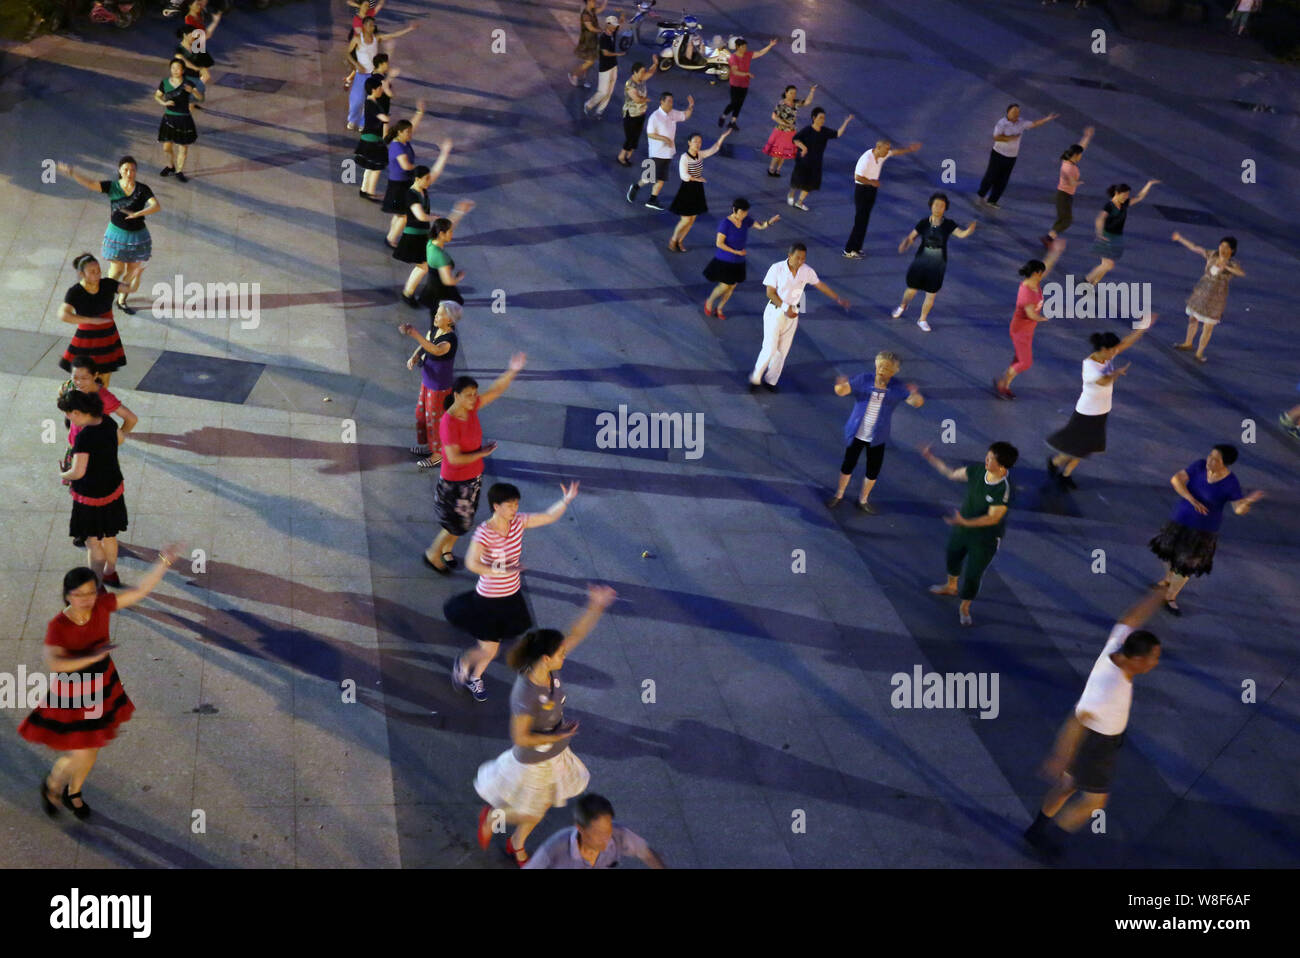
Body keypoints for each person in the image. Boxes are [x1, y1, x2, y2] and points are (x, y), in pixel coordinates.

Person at [20, 548, 180, 820]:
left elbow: (140, 591)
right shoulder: (58, 625)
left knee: (90, 750)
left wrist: (163, 562)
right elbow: (56, 664)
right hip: (73, 691)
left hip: (101, 684)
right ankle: (53, 785)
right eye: (79, 594)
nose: (86, 599)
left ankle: (74, 792)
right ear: (67, 594)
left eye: (91, 592)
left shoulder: (102, 605)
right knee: (81, 752)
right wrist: (91, 656)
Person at [473, 584, 618, 865]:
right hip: (533, 760)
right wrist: (558, 734)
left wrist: (595, 607)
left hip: (554, 754)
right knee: (532, 811)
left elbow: (575, 634)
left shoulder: (549, 668)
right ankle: (493, 818)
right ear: (545, 658)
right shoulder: (525, 694)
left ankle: (516, 843)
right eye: (561, 653)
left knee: (541, 805)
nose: (565, 655)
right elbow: (521, 738)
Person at [1024, 588, 1166, 862]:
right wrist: (1060, 754)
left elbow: (1132, 617)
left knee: (1067, 786)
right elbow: (1077, 721)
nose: (1155, 663)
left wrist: (1158, 593)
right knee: (1093, 803)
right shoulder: (1108, 686)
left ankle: (1037, 829)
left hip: (1098, 739)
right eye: (1153, 658)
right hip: (1097, 746)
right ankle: (1051, 842)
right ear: (1137, 660)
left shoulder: (1118, 646)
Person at [448, 482, 581, 702]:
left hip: (510, 597)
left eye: (516, 504)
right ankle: (464, 664)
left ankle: (474, 676)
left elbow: (548, 516)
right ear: (496, 506)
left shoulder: (518, 523)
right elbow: (472, 563)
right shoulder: (484, 533)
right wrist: (501, 571)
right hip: (489, 600)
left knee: (492, 648)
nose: (514, 509)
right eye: (510, 505)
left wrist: (565, 501)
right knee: (489, 649)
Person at [423, 356, 526, 575]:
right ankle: (433, 553)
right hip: (456, 483)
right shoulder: (449, 423)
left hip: (472, 479)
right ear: (456, 396)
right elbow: (454, 459)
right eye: (468, 395)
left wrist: (512, 370)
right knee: (458, 524)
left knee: (461, 520)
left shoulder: (470, 407)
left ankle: (447, 549)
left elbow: (496, 390)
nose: (474, 399)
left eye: (475, 394)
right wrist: (483, 452)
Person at [1148, 445, 1263, 615]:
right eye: (1210, 455)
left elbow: (1238, 509)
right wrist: (1191, 499)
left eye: (1216, 459)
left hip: (1203, 530)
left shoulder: (1231, 483)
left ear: (1225, 464)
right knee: (1168, 553)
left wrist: (1246, 503)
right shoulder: (1199, 466)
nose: (1210, 460)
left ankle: (1171, 596)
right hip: (1180, 519)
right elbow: (1176, 479)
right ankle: (1167, 579)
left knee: (1186, 565)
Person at [921, 441, 1020, 627]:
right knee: (953, 556)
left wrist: (965, 522)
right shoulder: (977, 471)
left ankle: (965, 607)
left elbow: (992, 519)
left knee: (973, 574)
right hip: (962, 528)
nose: (986, 460)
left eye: (990, 458)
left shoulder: (1004, 490)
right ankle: (951, 586)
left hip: (985, 539)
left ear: (1001, 466)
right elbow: (951, 474)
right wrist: (931, 458)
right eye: (987, 455)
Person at [1046, 323, 1152, 488]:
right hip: (1086, 413)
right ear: (1103, 348)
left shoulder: (1107, 354)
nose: (1114, 353)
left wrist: (1143, 328)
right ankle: (1055, 462)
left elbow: (1126, 342)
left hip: (1101, 411)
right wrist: (1115, 373)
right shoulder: (1090, 365)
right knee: (1076, 447)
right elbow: (1102, 381)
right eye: (1112, 350)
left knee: (1086, 448)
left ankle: (1066, 474)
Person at [55, 158, 160, 316]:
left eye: (132, 170)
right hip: (117, 234)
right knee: (116, 270)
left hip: (137, 237)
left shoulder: (142, 189)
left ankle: (122, 300)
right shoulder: (112, 187)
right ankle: (105, 296)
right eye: (125, 170)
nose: (129, 173)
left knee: (132, 271)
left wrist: (138, 213)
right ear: (119, 171)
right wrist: (72, 172)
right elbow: (90, 183)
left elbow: (156, 206)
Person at [827, 352, 924, 513]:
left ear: (895, 370)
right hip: (857, 433)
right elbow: (843, 390)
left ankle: (863, 500)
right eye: (880, 365)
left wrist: (915, 395)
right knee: (848, 464)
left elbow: (916, 402)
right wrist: (840, 386)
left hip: (877, 437)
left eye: (886, 367)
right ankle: (839, 494)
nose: (882, 370)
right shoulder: (864, 379)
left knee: (873, 470)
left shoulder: (898, 387)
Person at [748, 243, 850, 393]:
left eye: (803, 258)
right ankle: (755, 379)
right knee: (769, 348)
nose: (800, 261)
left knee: (782, 351)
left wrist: (837, 298)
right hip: (774, 312)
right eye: (798, 258)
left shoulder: (806, 271)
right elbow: (770, 293)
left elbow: (819, 284)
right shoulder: (776, 268)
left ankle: (771, 381)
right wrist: (785, 308)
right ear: (790, 256)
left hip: (792, 315)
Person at [58, 390, 128, 586]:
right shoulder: (107, 422)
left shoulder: (84, 437)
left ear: (78, 412)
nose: (68, 418)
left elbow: (78, 472)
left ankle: (96, 586)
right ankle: (110, 572)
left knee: (92, 542)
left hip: (91, 495)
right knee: (110, 534)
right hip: (113, 488)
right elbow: (120, 439)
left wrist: (63, 474)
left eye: (68, 414)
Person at [890, 192, 977, 332]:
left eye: (941, 206)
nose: (938, 208)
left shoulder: (949, 224)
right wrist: (907, 243)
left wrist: (969, 231)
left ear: (945, 208)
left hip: (938, 264)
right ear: (931, 206)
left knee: (931, 294)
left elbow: (961, 234)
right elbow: (912, 236)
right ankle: (903, 306)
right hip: (920, 261)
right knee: (911, 290)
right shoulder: (924, 223)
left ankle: (922, 319)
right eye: (936, 205)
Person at [524, 793, 667, 869]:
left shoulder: (619, 835)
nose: (607, 838)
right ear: (581, 829)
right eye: (599, 833)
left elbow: (646, 853)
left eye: (608, 828)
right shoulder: (554, 848)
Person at [399, 302, 461, 469]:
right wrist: (415, 355)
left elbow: (435, 349)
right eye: (436, 313)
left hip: (439, 387)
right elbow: (426, 344)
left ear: (450, 320)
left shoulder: (450, 340)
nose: (436, 316)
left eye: (440, 315)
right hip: (428, 382)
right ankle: (430, 446)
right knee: (422, 414)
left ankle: (438, 454)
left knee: (435, 420)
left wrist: (414, 334)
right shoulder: (435, 329)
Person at [842, 139, 921, 259]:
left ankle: (857, 248)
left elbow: (895, 152)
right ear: (878, 148)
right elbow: (857, 177)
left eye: (888, 149)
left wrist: (909, 149)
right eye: (886, 149)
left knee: (864, 221)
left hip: (871, 190)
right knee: (860, 221)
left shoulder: (882, 155)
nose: (888, 151)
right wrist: (871, 182)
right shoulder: (866, 159)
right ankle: (848, 250)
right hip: (862, 190)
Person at [1172, 232, 1244, 364]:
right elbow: (1194, 247)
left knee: (1208, 326)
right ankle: (1188, 343)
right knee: (1193, 319)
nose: (1223, 249)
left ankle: (1199, 353)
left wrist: (1226, 267)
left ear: (1232, 250)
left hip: (1216, 299)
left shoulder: (1233, 264)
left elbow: (1241, 273)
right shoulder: (1212, 254)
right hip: (1202, 292)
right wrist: (1180, 238)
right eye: (1222, 245)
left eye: (1227, 247)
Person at [702, 198, 778, 319]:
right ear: (734, 210)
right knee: (725, 285)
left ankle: (720, 308)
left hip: (738, 261)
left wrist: (769, 222)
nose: (744, 215)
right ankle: (710, 301)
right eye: (742, 212)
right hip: (725, 260)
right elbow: (719, 243)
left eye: (746, 212)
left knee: (732, 287)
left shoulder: (746, 220)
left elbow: (760, 226)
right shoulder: (725, 223)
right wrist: (735, 251)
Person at [58, 254, 126, 386]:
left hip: (107, 336)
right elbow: (63, 314)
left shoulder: (106, 284)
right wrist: (90, 321)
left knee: (105, 375)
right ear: (82, 274)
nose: (97, 274)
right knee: (84, 377)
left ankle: (100, 403)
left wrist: (136, 273)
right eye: (92, 272)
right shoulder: (75, 291)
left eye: (98, 270)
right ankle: (81, 399)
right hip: (86, 339)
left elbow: (128, 288)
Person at [974, 105, 1058, 209]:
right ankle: (981, 194)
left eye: (1018, 112)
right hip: (998, 154)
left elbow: (1034, 124)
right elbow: (996, 137)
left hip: (1011, 157)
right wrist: (1010, 138)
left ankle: (992, 200)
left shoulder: (1021, 122)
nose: (1016, 114)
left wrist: (1047, 119)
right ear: (1008, 112)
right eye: (1014, 111)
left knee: (1003, 180)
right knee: (991, 176)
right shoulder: (1001, 124)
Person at [345, 15, 417, 131]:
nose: (372, 28)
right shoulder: (358, 39)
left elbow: (392, 35)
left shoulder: (376, 38)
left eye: (373, 25)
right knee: (356, 100)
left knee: (369, 101)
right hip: (361, 74)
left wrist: (409, 29)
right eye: (370, 25)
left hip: (373, 75)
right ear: (364, 26)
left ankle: (364, 122)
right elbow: (348, 53)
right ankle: (352, 120)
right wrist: (357, 64)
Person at [1084, 180, 1159, 285]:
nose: (1126, 197)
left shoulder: (1124, 204)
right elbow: (1100, 219)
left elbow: (1140, 197)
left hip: (1116, 238)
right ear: (1117, 193)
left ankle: (1091, 285)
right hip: (1106, 237)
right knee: (1108, 264)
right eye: (1125, 194)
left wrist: (1149, 184)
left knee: (1105, 266)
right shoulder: (1109, 206)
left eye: (1128, 194)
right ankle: (1086, 280)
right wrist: (1100, 234)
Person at [667, 129, 731, 252]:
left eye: (700, 142)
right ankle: (673, 240)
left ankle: (680, 241)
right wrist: (697, 178)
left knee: (692, 219)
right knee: (685, 219)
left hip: (697, 189)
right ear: (689, 143)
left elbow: (714, 149)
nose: (698, 144)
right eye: (695, 141)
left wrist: (722, 137)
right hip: (687, 189)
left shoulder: (700, 154)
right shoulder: (684, 157)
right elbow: (683, 175)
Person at [627, 91, 694, 210]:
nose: (671, 103)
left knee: (661, 180)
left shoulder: (673, 114)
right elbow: (650, 134)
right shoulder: (655, 117)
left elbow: (685, 115)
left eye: (672, 101)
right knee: (649, 177)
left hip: (668, 153)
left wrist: (691, 106)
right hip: (657, 153)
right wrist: (664, 138)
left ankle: (652, 200)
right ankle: (636, 187)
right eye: (668, 101)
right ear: (661, 102)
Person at [994, 260, 1050, 399]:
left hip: (1027, 330)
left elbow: (1048, 265)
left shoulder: (1034, 283)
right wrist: (1042, 318)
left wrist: (1055, 253)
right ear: (1037, 273)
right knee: (1025, 362)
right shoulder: (1027, 292)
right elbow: (1031, 314)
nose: (1044, 275)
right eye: (1042, 273)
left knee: (1019, 359)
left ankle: (1005, 385)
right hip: (1020, 331)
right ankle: (1002, 383)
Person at [787, 108, 853, 210]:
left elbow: (837, 134)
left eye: (824, 118)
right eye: (820, 118)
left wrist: (846, 122)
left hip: (816, 162)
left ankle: (799, 202)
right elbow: (795, 139)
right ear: (814, 118)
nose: (822, 120)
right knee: (798, 180)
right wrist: (804, 148)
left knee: (810, 184)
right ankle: (791, 195)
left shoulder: (824, 131)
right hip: (803, 160)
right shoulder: (807, 130)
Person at [381, 107, 428, 248]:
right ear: (400, 133)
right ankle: (391, 239)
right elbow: (405, 165)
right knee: (404, 215)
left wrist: (419, 113)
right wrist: (418, 169)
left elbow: (412, 125)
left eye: (410, 132)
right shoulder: (397, 147)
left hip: (401, 183)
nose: (410, 134)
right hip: (398, 186)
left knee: (399, 214)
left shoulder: (403, 142)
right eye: (407, 132)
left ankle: (391, 236)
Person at [1040, 126, 1095, 247]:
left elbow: (1081, 147)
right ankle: (1048, 238)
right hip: (1063, 196)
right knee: (1066, 220)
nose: (1081, 156)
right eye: (1079, 155)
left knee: (1063, 219)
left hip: (1066, 196)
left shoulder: (1069, 160)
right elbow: (1071, 182)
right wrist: (1079, 183)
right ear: (1075, 155)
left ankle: (1049, 238)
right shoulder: (1068, 167)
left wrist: (1087, 137)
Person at [155, 57, 203, 183]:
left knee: (183, 148)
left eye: (178, 68)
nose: (175, 70)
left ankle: (179, 171)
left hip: (184, 118)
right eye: (173, 68)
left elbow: (200, 98)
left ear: (183, 70)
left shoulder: (188, 83)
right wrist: (163, 103)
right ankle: (170, 166)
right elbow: (157, 95)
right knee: (166, 147)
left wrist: (192, 90)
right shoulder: (164, 82)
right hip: (169, 118)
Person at [717, 37, 777, 130]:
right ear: (738, 47)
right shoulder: (733, 58)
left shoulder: (747, 55)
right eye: (743, 47)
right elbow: (735, 71)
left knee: (740, 103)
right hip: (735, 84)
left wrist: (770, 45)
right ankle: (723, 116)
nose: (746, 48)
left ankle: (733, 121)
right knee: (734, 103)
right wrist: (747, 73)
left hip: (744, 84)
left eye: (746, 47)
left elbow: (760, 53)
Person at [418, 215, 469, 317]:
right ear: (441, 234)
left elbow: (449, 225)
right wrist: (459, 277)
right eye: (450, 232)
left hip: (432, 283)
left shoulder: (431, 242)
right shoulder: (441, 257)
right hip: (440, 288)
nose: (452, 234)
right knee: (442, 311)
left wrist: (459, 213)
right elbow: (448, 281)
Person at [762, 84, 816, 177]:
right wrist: (784, 123)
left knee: (784, 153)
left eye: (794, 93)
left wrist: (812, 91)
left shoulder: (795, 103)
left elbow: (807, 102)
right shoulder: (781, 104)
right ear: (786, 93)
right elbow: (774, 116)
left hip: (791, 132)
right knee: (778, 152)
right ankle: (771, 169)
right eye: (791, 93)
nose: (793, 95)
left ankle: (778, 170)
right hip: (781, 131)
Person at [353, 75, 392, 201]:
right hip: (372, 140)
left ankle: (365, 190)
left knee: (370, 167)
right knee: (376, 168)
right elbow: (384, 118)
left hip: (369, 138)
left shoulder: (371, 101)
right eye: (380, 88)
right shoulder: (372, 103)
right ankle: (370, 192)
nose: (381, 90)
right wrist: (388, 117)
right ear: (374, 89)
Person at [583, 14, 626, 118]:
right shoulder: (603, 37)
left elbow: (621, 21)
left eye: (615, 25)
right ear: (607, 24)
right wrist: (618, 54)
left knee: (609, 92)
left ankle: (599, 111)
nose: (615, 27)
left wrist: (622, 12)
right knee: (603, 91)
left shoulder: (613, 33)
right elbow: (605, 53)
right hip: (605, 68)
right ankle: (588, 105)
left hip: (613, 66)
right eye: (613, 25)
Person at [616, 58, 657, 166]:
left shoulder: (642, 79)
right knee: (630, 137)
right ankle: (621, 156)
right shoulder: (630, 85)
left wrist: (655, 64)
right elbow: (637, 99)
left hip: (641, 113)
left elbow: (651, 72)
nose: (644, 74)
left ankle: (629, 155)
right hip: (631, 115)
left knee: (636, 136)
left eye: (644, 71)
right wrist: (646, 100)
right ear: (635, 72)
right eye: (641, 72)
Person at [568, 0, 606, 89]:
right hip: (587, 41)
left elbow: (601, 8)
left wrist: (605, 1)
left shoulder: (591, 11)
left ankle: (582, 80)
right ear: (588, 2)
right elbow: (591, 28)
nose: (595, 2)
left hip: (593, 40)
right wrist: (602, 30)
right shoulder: (585, 14)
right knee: (590, 61)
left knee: (589, 62)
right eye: (593, 1)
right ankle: (574, 74)